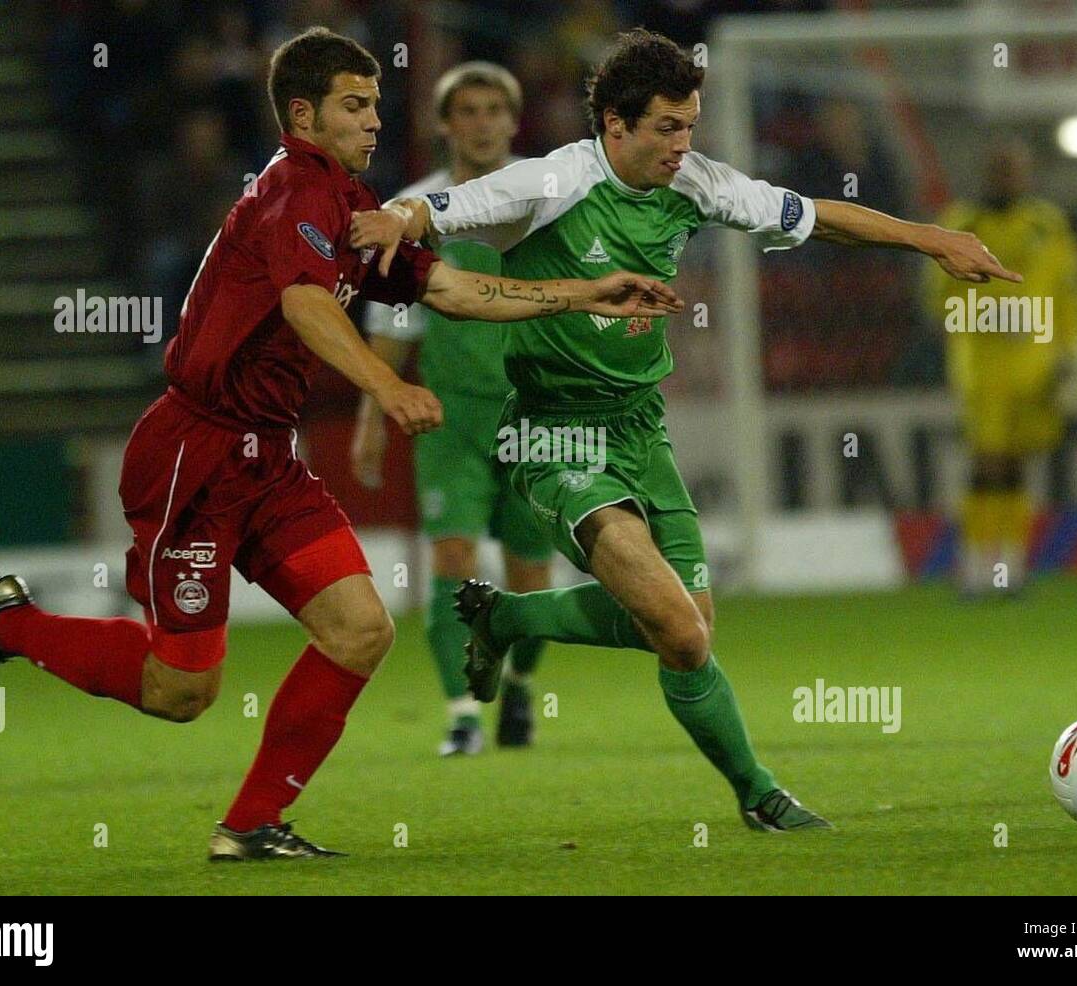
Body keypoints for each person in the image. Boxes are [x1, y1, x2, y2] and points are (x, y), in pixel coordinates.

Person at [0, 27, 680, 861]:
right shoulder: (293, 194)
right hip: (198, 456)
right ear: (302, 114)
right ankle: (12, 623)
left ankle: (249, 826)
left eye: (376, 106)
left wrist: (583, 293)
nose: (371, 123)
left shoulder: (353, 207)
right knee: (180, 690)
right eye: (354, 107)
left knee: (360, 628)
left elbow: (456, 288)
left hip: (267, 461)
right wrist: (385, 386)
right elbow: (305, 305)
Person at [351, 27, 1018, 832]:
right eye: (667, 127)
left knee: (689, 633)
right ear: (615, 126)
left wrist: (932, 239)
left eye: (690, 125)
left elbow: (815, 217)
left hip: (641, 430)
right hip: (555, 437)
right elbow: (440, 208)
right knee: (673, 625)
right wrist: (396, 215)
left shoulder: (698, 183)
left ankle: (508, 616)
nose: (682, 144)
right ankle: (761, 796)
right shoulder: (552, 180)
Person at [352, 62, 553, 756]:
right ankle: (463, 713)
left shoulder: (549, 196)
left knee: (530, 572)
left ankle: (521, 687)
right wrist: (372, 417)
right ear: (445, 124)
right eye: (466, 110)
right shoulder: (413, 211)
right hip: (449, 419)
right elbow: (394, 326)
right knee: (454, 560)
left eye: (493, 109)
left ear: (513, 119)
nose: (481, 121)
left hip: (538, 417)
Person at [925, 138, 1077, 596]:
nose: (1008, 177)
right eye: (999, 168)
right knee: (985, 462)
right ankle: (978, 566)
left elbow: (1067, 291)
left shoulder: (1047, 224)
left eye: (1015, 168)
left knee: (1017, 464)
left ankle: (1011, 566)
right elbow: (939, 298)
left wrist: (1068, 352)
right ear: (986, 172)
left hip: (1034, 367)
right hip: (981, 365)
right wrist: (992, 318)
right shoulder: (961, 224)